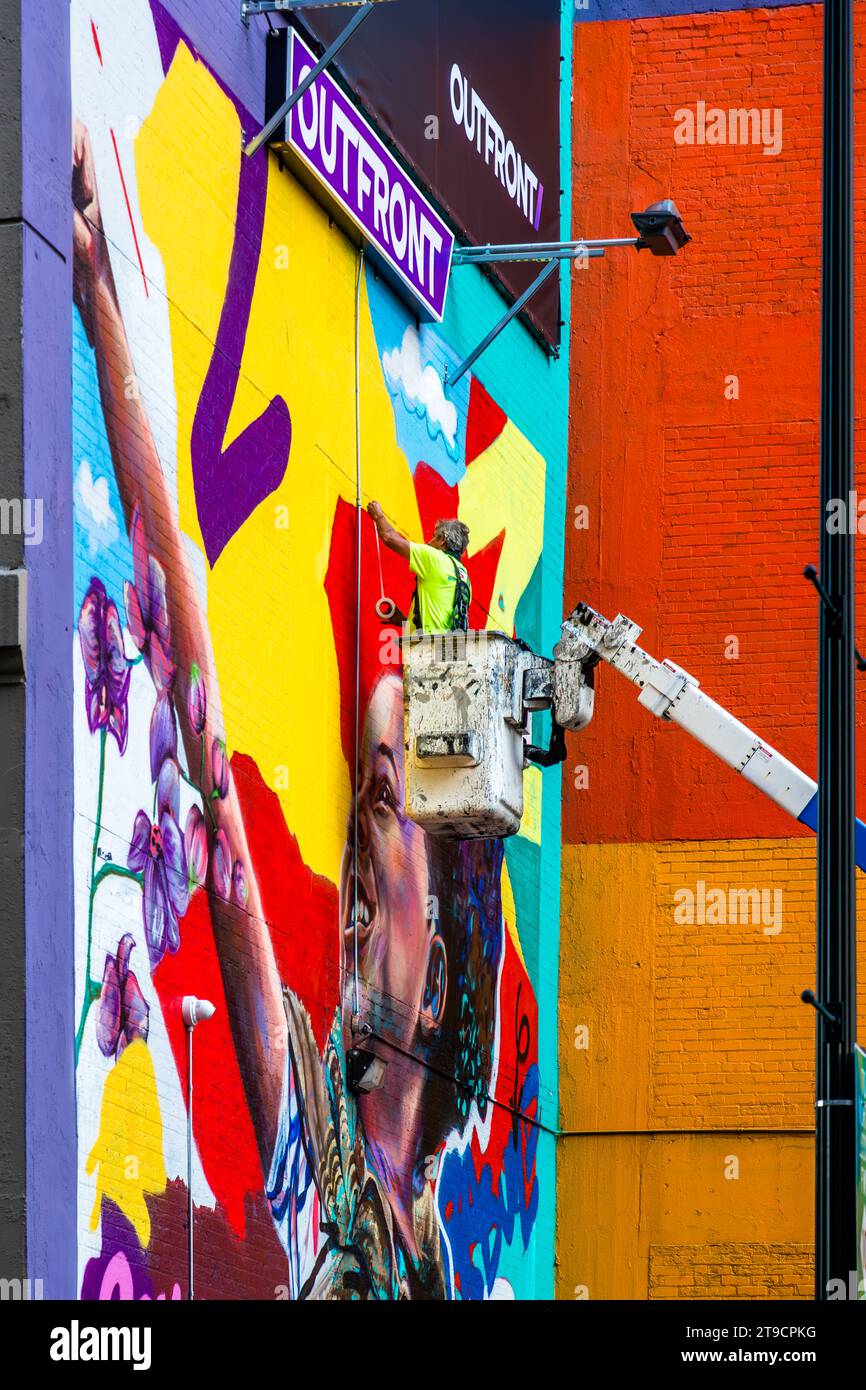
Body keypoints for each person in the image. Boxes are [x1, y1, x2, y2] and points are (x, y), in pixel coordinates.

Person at [73, 120, 504, 1299]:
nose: (361, 891)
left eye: (386, 812)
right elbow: (212, 787)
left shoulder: (389, 1227)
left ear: (457, 938)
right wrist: (114, 331)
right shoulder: (324, 1170)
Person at [367, 501, 471, 633]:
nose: (428, 542)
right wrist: (405, 622)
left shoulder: (434, 558)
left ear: (442, 540)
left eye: (433, 537)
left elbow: (389, 538)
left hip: (425, 649)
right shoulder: (464, 576)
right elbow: (440, 624)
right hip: (444, 649)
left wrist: (378, 516)